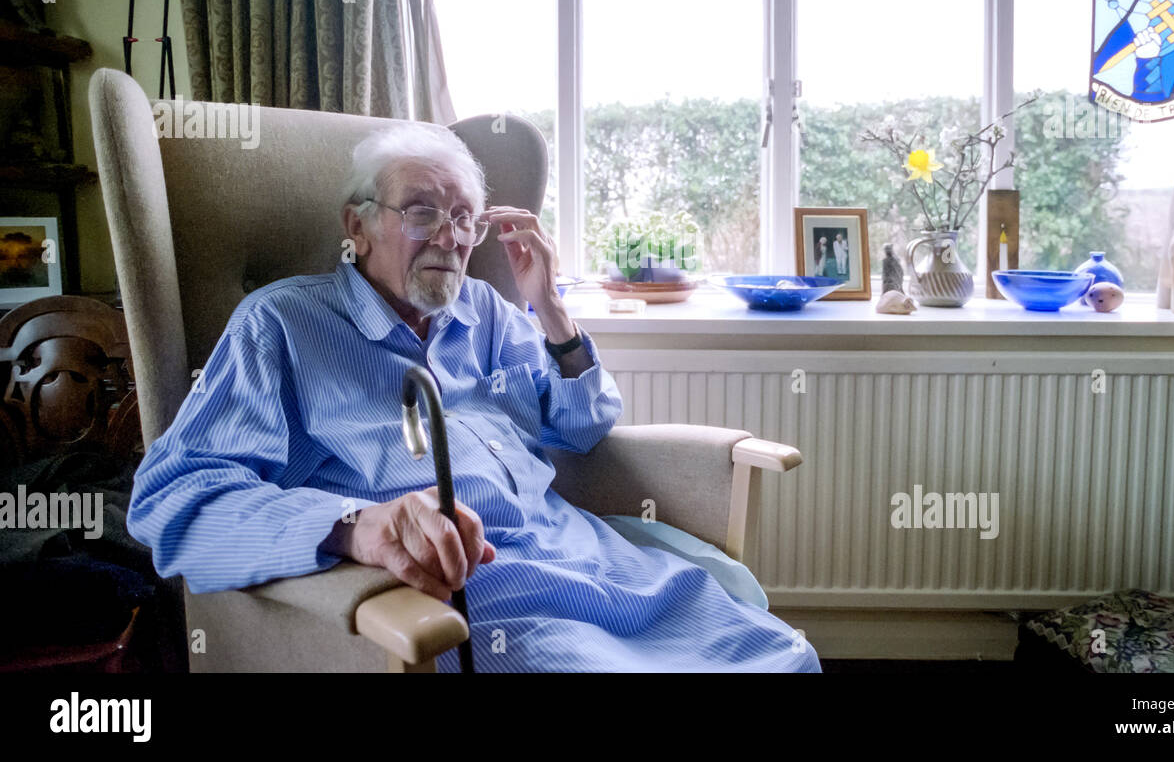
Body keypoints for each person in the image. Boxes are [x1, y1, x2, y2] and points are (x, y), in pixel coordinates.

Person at [126, 123, 820, 673]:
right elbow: (172, 502)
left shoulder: (485, 313)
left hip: (583, 553)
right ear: (357, 226)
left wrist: (549, 309)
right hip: (477, 591)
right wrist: (356, 525)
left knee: (781, 657)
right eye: (424, 210)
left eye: (467, 217)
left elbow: (581, 428)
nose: (453, 237)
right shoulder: (281, 326)